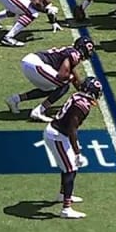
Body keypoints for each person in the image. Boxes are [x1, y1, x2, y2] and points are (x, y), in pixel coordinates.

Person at [42, 76, 104, 218]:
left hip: (60, 134)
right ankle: (66, 209)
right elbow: (72, 129)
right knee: (70, 168)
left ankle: (63, 194)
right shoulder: (82, 105)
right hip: (57, 136)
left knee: (70, 167)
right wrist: (77, 152)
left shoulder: (78, 96)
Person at [7, 36, 95, 122]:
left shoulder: (71, 51)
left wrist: (81, 91)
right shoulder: (75, 55)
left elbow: (72, 71)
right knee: (64, 85)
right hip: (37, 64)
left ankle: (15, 99)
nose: (90, 52)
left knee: (50, 88)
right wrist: (70, 78)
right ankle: (39, 111)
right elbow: (62, 75)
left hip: (30, 62)